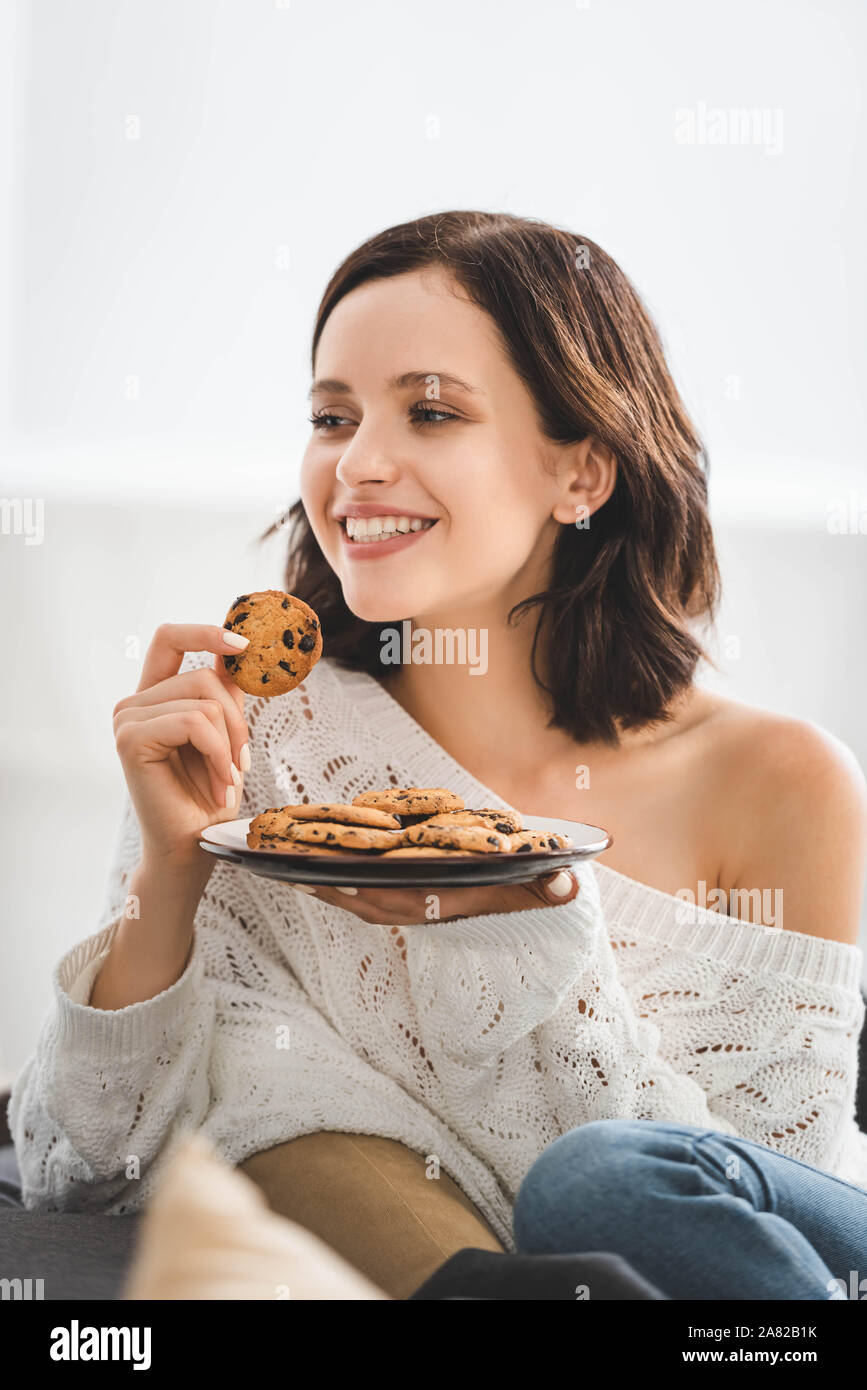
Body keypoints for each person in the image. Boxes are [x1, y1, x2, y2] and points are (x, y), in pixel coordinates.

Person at [7, 212, 867, 1296]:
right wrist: (167, 881)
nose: (358, 464)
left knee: (598, 1179)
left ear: (583, 472)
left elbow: (725, 1214)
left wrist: (529, 933)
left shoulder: (782, 784)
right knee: (281, 1120)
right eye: (332, 416)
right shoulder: (262, 744)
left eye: (430, 411)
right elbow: (72, 1170)